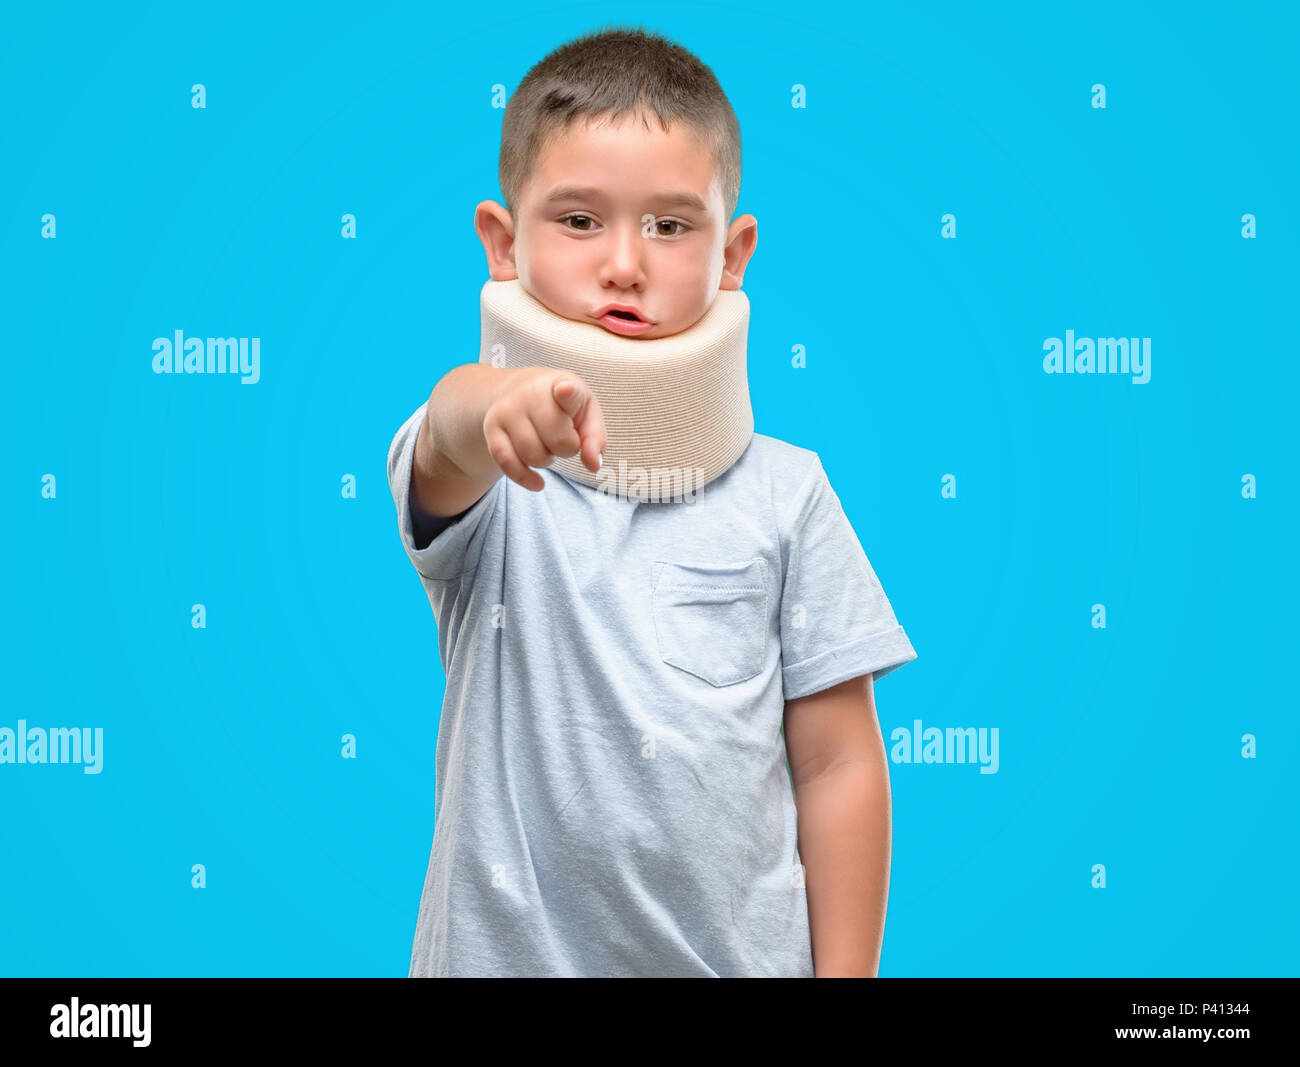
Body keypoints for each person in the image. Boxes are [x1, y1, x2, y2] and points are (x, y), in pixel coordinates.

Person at [386, 25, 918, 977]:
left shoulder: (788, 494)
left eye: (670, 225)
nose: (625, 263)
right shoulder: (499, 485)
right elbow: (445, 437)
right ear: (502, 244)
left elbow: (839, 764)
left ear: (732, 253)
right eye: (579, 220)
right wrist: (493, 401)